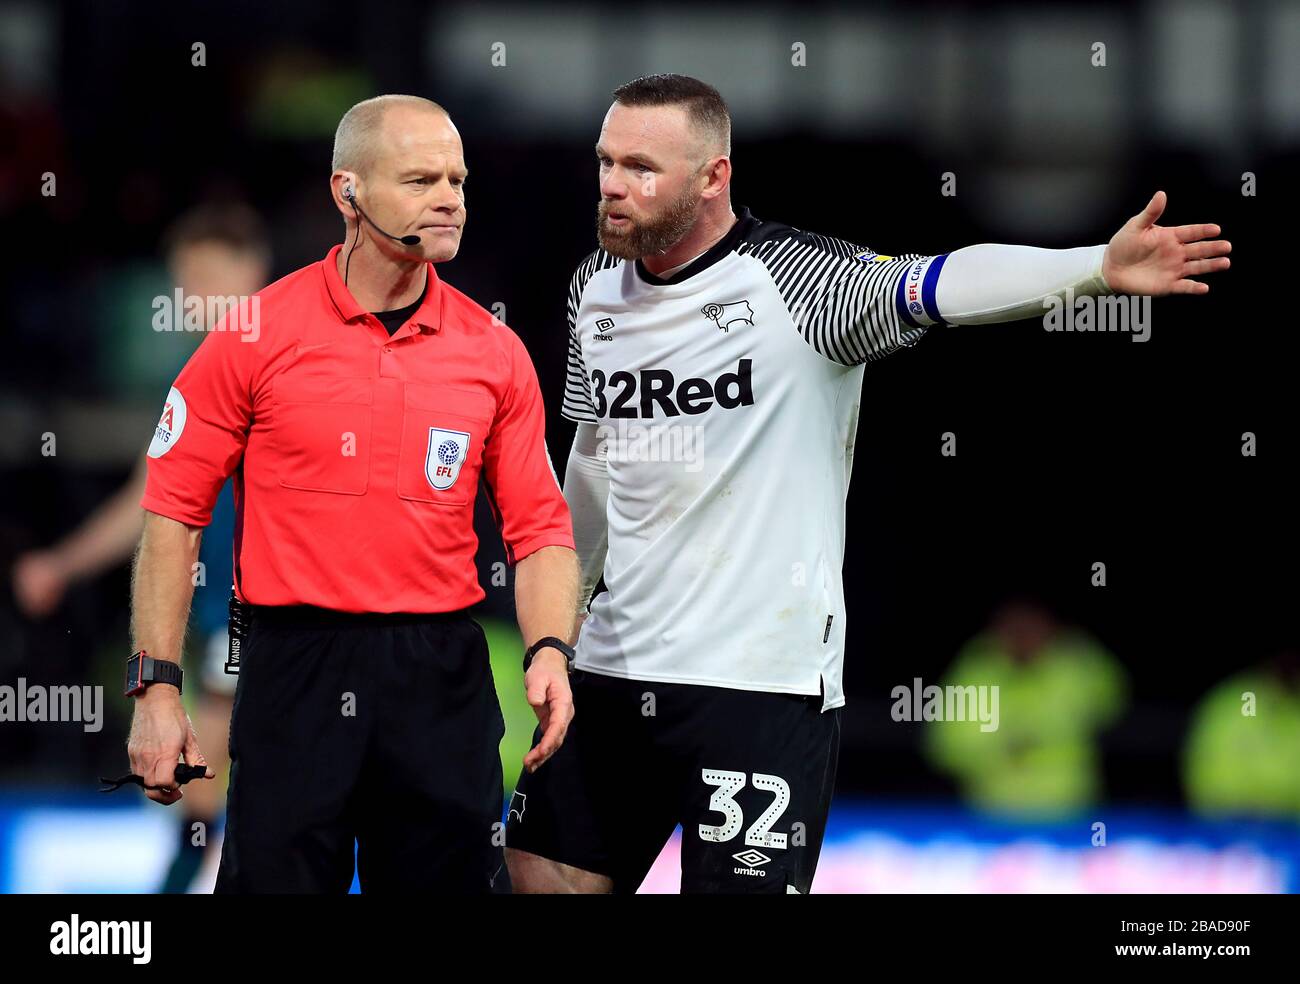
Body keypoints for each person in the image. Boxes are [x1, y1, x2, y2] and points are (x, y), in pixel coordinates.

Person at [506, 73, 1231, 894]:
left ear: (713, 177)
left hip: (758, 682)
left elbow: (947, 283)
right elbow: (596, 457)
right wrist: (564, 622)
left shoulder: (800, 283)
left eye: (641, 167)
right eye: (605, 161)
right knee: (540, 872)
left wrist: (1095, 266)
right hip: (613, 666)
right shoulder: (595, 288)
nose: (612, 184)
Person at [127, 94, 579, 893]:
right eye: (420, 180)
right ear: (349, 192)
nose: (450, 199)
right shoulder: (252, 335)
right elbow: (172, 513)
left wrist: (550, 650)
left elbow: (540, 529)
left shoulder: (496, 352)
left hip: (439, 678)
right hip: (294, 670)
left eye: (457, 180)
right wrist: (157, 689)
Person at [10, 202, 271, 892]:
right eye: (183, 283)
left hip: (270, 613)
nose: (190, 299)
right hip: (224, 619)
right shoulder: (199, 373)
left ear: (251, 272)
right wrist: (65, 562)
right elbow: (152, 495)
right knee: (204, 786)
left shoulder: (281, 366)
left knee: (213, 781)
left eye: (204, 279)